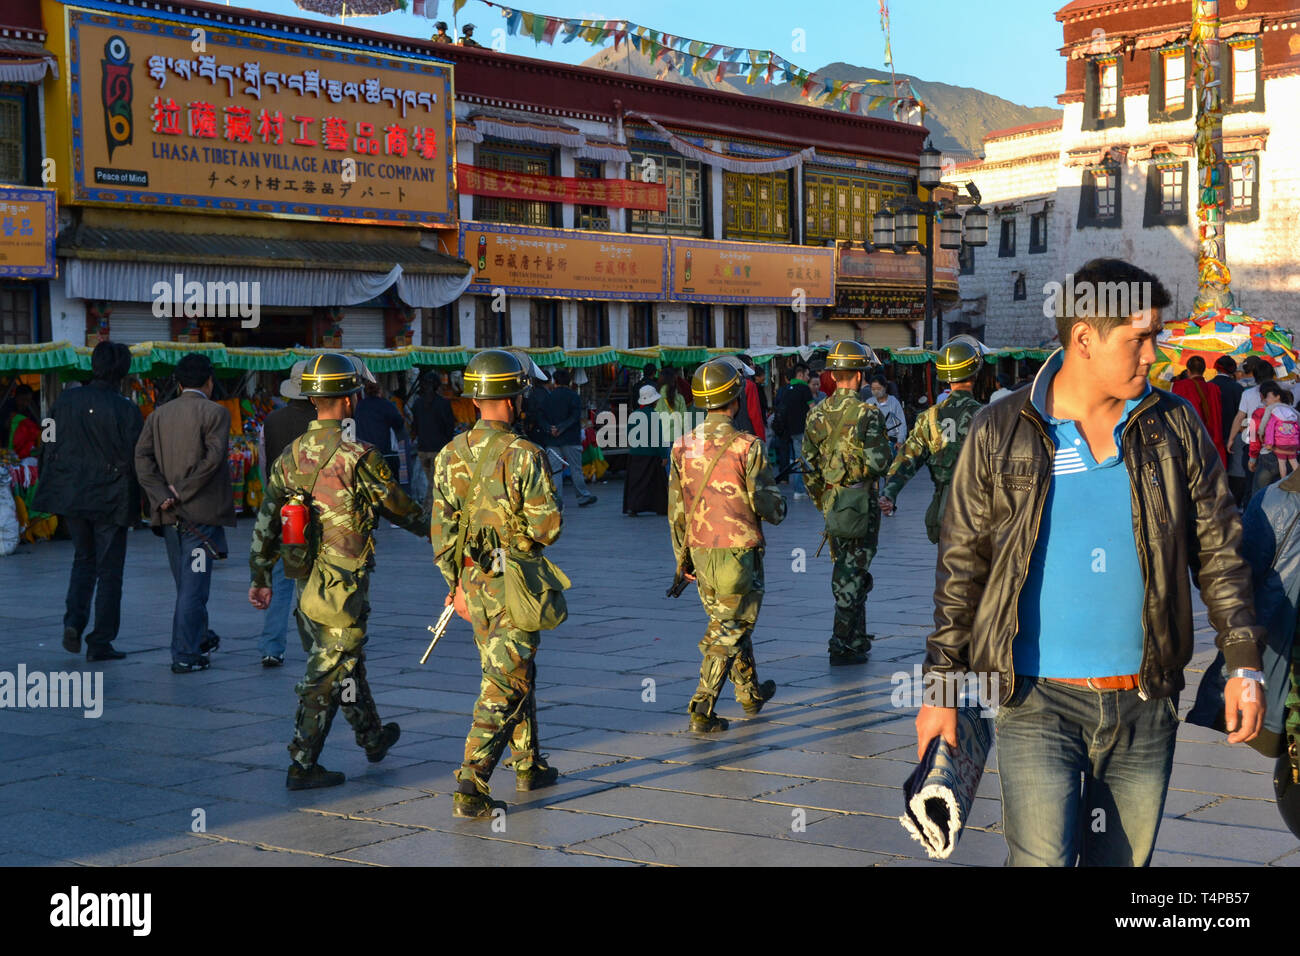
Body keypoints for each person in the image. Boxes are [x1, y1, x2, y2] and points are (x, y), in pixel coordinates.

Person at [918, 258, 1264, 866]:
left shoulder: (1173, 426)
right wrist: (941, 689)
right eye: (1139, 338)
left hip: (1145, 697)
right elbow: (961, 568)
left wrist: (1244, 664)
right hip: (1036, 700)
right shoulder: (1001, 429)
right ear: (1084, 337)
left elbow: (1219, 549)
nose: (1155, 354)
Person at [249, 353, 426, 791]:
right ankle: (302, 763)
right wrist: (445, 530)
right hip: (342, 585)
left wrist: (260, 575)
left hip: (304, 578)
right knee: (328, 668)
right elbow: (403, 510)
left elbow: (267, 519)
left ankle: (372, 737)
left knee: (346, 661)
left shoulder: (289, 457)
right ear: (348, 401)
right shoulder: (358, 456)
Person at [429, 350, 564, 817]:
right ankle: (471, 783)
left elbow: (442, 533)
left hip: (472, 586)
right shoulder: (525, 455)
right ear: (512, 399)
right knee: (505, 681)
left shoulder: (449, 453)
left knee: (512, 668)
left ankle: (527, 761)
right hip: (513, 584)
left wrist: (457, 585)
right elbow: (547, 528)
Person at [669, 358, 786, 732]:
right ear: (734, 399)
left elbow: (676, 510)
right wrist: (779, 507)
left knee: (728, 620)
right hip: (738, 552)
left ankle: (749, 692)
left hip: (701, 551)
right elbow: (768, 504)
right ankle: (702, 708)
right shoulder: (747, 446)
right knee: (727, 627)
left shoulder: (682, 446)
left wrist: (680, 559)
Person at [34, 341, 141, 662]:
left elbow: (47, 440)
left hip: (73, 493)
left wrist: (54, 479)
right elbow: (138, 458)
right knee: (109, 571)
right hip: (111, 498)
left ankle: (73, 622)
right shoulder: (126, 409)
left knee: (83, 561)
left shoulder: (64, 401)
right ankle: (100, 640)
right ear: (123, 372)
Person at [135, 353, 235, 674]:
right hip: (199, 517)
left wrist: (162, 494)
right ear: (209, 381)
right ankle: (185, 654)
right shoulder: (216, 412)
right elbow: (214, 459)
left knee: (186, 585)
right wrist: (183, 490)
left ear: (178, 383)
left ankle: (200, 637)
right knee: (194, 588)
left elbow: (142, 458)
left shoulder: (158, 415)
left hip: (167, 516)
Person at [802, 341, 891, 666]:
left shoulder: (816, 414)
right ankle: (841, 642)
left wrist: (823, 501)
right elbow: (881, 460)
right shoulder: (868, 413)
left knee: (849, 566)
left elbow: (808, 464)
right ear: (857, 375)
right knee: (852, 572)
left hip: (833, 502)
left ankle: (856, 638)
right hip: (861, 504)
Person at [879, 341, 984, 544]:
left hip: (943, 511)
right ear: (975, 374)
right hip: (977, 510)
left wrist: (889, 494)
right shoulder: (985, 415)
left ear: (944, 378)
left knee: (947, 570)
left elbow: (907, 458)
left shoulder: (929, 417)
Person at [252, 361, 316, 668]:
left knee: (281, 581)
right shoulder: (324, 422)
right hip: (315, 512)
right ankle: (314, 644)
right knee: (313, 579)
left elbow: (265, 466)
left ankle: (271, 647)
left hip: (282, 511)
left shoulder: (271, 421)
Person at [545, 369, 597, 507]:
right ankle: (582, 496)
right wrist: (562, 428)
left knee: (555, 471)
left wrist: (553, 429)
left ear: (555, 382)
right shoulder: (574, 396)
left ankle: (557, 500)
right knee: (576, 469)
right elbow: (575, 417)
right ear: (569, 381)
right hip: (570, 439)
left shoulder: (549, 397)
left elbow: (544, 416)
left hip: (553, 439)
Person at [1171, 355, 1227, 466]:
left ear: (1188, 370)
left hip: (1190, 441)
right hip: (1212, 440)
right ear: (1204, 370)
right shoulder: (1213, 388)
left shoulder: (1180, 386)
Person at [623, 384, 669, 516]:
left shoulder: (634, 414)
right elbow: (658, 438)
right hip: (651, 455)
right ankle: (660, 507)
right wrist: (664, 455)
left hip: (635, 454)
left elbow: (628, 434)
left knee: (636, 483)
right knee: (657, 484)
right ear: (653, 401)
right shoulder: (654, 416)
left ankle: (633, 507)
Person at [413, 369, 457, 503]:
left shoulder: (418, 403)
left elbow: (415, 426)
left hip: (422, 448)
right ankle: (430, 511)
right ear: (438, 385)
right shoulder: (443, 404)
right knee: (435, 483)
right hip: (439, 449)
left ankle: (428, 509)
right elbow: (449, 427)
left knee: (427, 482)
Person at [772, 363, 814, 498]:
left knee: (794, 458)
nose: (808, 378)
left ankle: (798, 487)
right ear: (800, 374)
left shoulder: (785, 389)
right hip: (801, 430)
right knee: (801, 459)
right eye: (807, 375)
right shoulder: (804, 389)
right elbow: (813, 408)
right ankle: (799, 490)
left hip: (786, 430)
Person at [353, 381, 407, 484]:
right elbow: (399, 423)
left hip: (364, 455)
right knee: (389, 487)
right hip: (384, 455)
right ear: (380, 391)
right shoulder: (386, 405)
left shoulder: (359, 406)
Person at [1213, 356, 1248, 504]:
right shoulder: (1238, 388)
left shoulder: (1210, 386)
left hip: (1213, 435)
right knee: (1235, 470)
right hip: (1234, 435)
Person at [1248, 382, 1298, 481]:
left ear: (1262, 396)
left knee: (1260, 493)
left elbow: (1253, 437)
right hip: (1292, 453)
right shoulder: (1291, 412)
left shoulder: (1259, 413)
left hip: (1268, 455)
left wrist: (1252, 459)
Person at [864, 372, 907, 453]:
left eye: (878, 388)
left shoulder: (893, 402)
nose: (876, 391)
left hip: (891, 441)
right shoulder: (869, 402)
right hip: (873, 443)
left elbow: (902, 423)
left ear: (885, 387)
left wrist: (900, 441)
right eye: (873, 389)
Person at [1, 384, 41, 458]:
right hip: (6, 447)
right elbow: (4, 425)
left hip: (24, 449)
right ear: (16, 397)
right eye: (23, 400)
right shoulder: (6, 406)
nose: (25, 403)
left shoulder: (31, 408)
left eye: (28, 400)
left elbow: (36, 426)